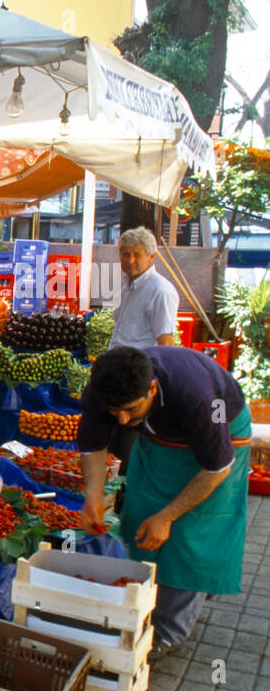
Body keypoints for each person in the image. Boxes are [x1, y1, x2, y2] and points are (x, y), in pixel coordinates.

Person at [78, 346, 251, 660]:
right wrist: (93, 496)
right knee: (142, 514)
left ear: (153, 388)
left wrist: (169, 516)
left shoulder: (201, 398)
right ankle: (159, 596)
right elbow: (93, 446)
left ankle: (167, 631)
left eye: (130, 408)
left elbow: (217, 467)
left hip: (220, 437)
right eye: (115, 411)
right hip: (161, 438)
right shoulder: (100, 389)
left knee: (189, 533)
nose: (123, 419)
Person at [105, 227, 180, 479]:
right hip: (118, 377)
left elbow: (166, 344)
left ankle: (126, 499)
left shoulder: (160, 290)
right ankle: (113, 499)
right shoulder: (129, 286)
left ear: (152, 257)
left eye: (137, 254)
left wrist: (149, 386)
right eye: (125, 254)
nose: (130, 260)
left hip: (137, 382)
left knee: (129, 445)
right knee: (115, 446)